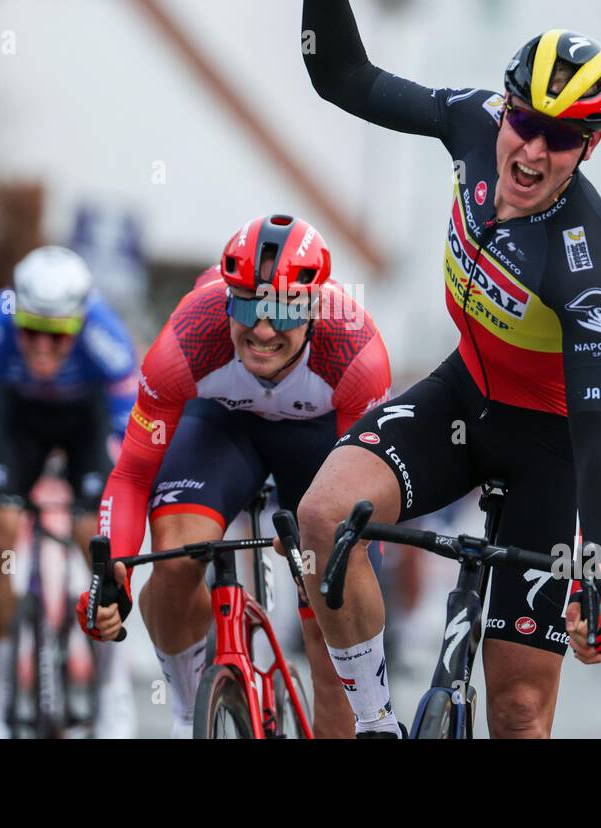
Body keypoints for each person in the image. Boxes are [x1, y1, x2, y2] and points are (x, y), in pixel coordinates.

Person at [291, 0, 601, 738]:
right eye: (525, 119)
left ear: (590, 146)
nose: (531, 147)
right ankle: (374, 723)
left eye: (561, 137)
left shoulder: (582, 258)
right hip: (462, 395)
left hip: (550, 448)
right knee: (321, 516)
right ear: (506, 104)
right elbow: (342, 77)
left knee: (518, 709)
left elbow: (597, 426)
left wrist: (596, 568)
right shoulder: (473, 124)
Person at [80, 214, 392, 738]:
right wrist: (113, 576)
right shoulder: (188, 335)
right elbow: (133, 474)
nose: (263, 330)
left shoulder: (355, 351)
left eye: (283, 310)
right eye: (247, 306)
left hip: (316, 442)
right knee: (178, 557)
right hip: (221, 427)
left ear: (313, 306)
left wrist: (341, 577)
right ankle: (189, 712)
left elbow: (364, 513)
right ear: (226, 298)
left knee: (327, 618)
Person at [0, 245, 138, 738]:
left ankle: (112, 693)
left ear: (80, 324)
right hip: (15, 419)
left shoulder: (108, 338)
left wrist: (115, 509)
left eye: (58, 335)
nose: (42, 347)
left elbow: (131, 446)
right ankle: (1, 705)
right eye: (29, 331)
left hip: (85, 421)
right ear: (13, 316)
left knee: (98, 538)